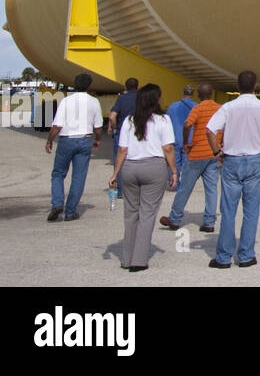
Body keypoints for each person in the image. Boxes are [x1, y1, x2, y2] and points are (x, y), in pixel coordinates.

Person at [205, 70, 260, 268]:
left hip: (232, 160)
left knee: (228, 211)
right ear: (255, 87)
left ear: (237, 87)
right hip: (255, 161)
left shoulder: (229, 107)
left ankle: (224, 257)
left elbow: (210, 130)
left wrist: (217, 152)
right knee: (251, 210)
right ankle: (246, 255)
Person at [109, 84, 177, 270]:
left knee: (130, 213)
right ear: (156, 100)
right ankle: (139, 260)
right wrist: (174, 171)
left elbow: (122, 150)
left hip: (130, 168)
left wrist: (115, 173)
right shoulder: (163, 120)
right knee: (147, 213)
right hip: (154, 167)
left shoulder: (129, 121)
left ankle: (127, 258)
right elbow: (168, 148)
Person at [161, 83, 222, 232]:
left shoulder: (197, 108)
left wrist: (186, 142)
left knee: (185, 188)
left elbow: (187, 124)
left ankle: (175, 219)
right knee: (211, 189)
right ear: (212, 93)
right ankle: (209, 222)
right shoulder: (220, 109)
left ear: (199, 96)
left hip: (197, 153)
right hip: (213, 153)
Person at [45, 73, 103, 222]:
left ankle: (57, 203)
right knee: (79, 176)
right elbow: (98, 127)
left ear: (74, 84)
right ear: (89, 85)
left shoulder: (66, 101)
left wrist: (49, 140)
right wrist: (97, 139)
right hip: (85, 139)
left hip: (66, 139)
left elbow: (57, 125)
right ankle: (70, 212)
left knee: (58, 174)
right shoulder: (94, 101)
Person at [105, 77, 139, 162]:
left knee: (119, 159)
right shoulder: (142, 98)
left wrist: (114, 127)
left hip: (122, 131)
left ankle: (118, 175)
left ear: (125, 87)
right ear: (138, 87)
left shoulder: (121, 99)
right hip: (139, 131)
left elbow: (112, 117)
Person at [165, 84, 196, 173]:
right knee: (186, 167)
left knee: (174, 165)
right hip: (190, 141)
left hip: (174, 139)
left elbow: (167, 122)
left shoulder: (172, 106)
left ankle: (174, 184)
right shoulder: (196, 107)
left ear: (183, 93)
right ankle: (184, 185)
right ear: (193, 94)